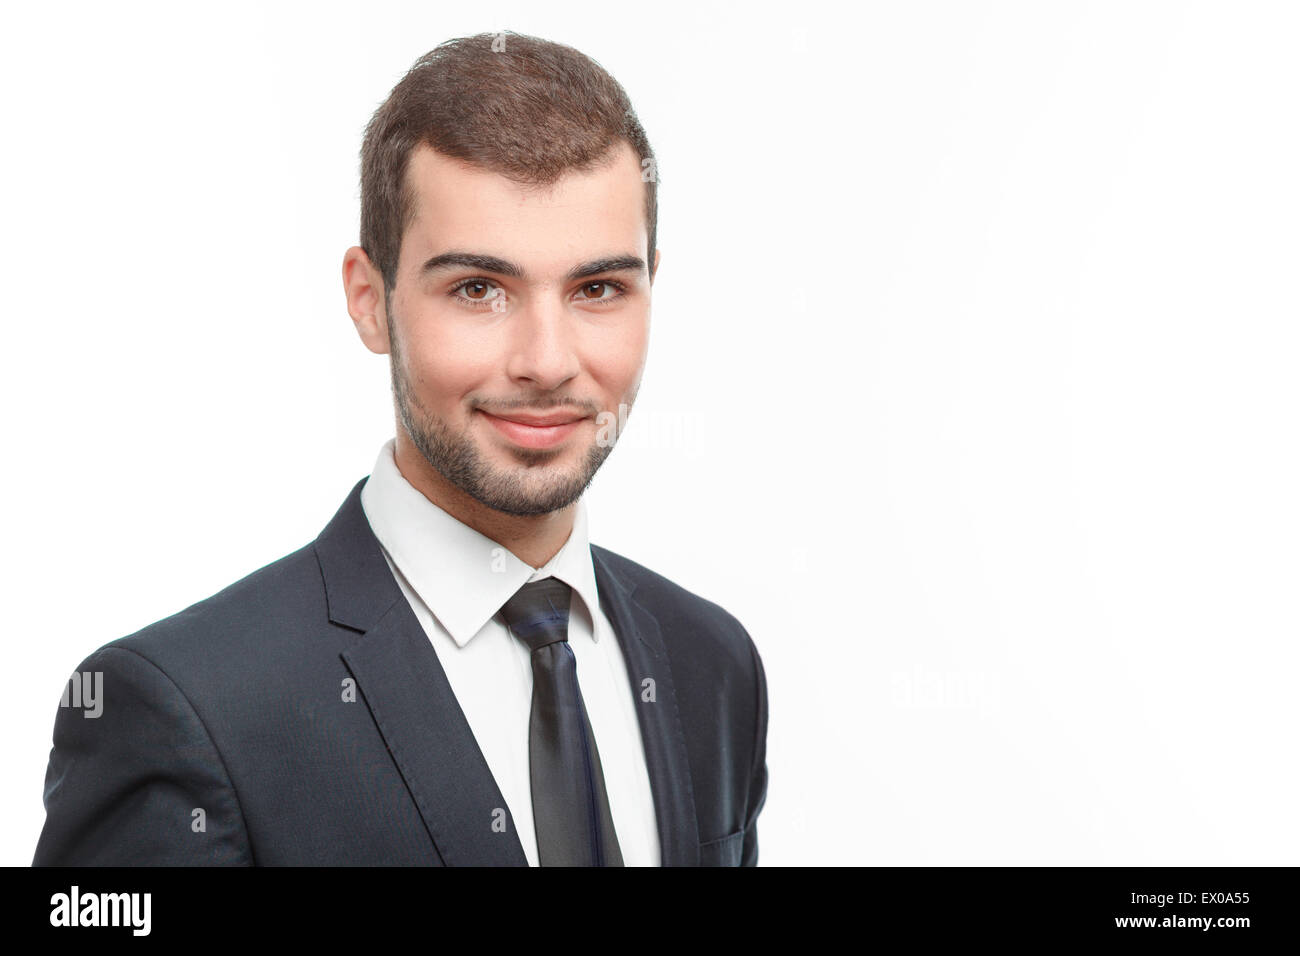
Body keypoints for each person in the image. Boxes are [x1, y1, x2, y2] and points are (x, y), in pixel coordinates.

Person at [32, 31, 768, 867]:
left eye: (597, 288)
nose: (547, 362)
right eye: (478, 289)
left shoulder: (712, 666)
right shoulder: (186, 710)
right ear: (369, 301)